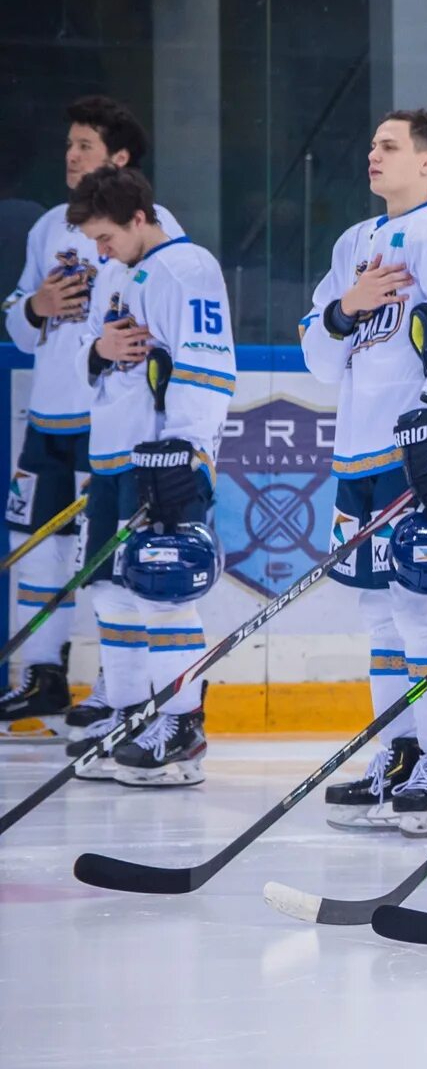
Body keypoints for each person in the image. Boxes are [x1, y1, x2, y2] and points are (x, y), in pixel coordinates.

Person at [304, 109, 427, 836]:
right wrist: (344, 309)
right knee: (379, 615)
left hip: (425, 449)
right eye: (370, 142)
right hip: (359, 453)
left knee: (425, 607)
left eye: (388, 145)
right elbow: (320, 358)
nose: (372, 154)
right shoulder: (353, 243)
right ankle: (399, 750)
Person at [61, 166, 233, 784]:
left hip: (161, 460)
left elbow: (208, 367)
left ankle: (182, 726)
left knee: (162, 588)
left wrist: (184, 454)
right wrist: (96, 350)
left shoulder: (188, 270)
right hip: (110, 458)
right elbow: (91, 352)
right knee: (111, 589)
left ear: (139, 218)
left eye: (106, 236)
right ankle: (135, 714)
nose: (99, 251)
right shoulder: (116, 269)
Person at [0, 97, 166, 735]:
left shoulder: (149, 227)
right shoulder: (47, 227)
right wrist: (38, 306)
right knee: (37, 548)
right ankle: (41, 675)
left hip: (111, 424)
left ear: (119, 158)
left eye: (85, 146)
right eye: (68, 145)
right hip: (48, 418)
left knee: (104, 560)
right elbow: (17, 323)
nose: (71, 156)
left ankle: (113, 687)